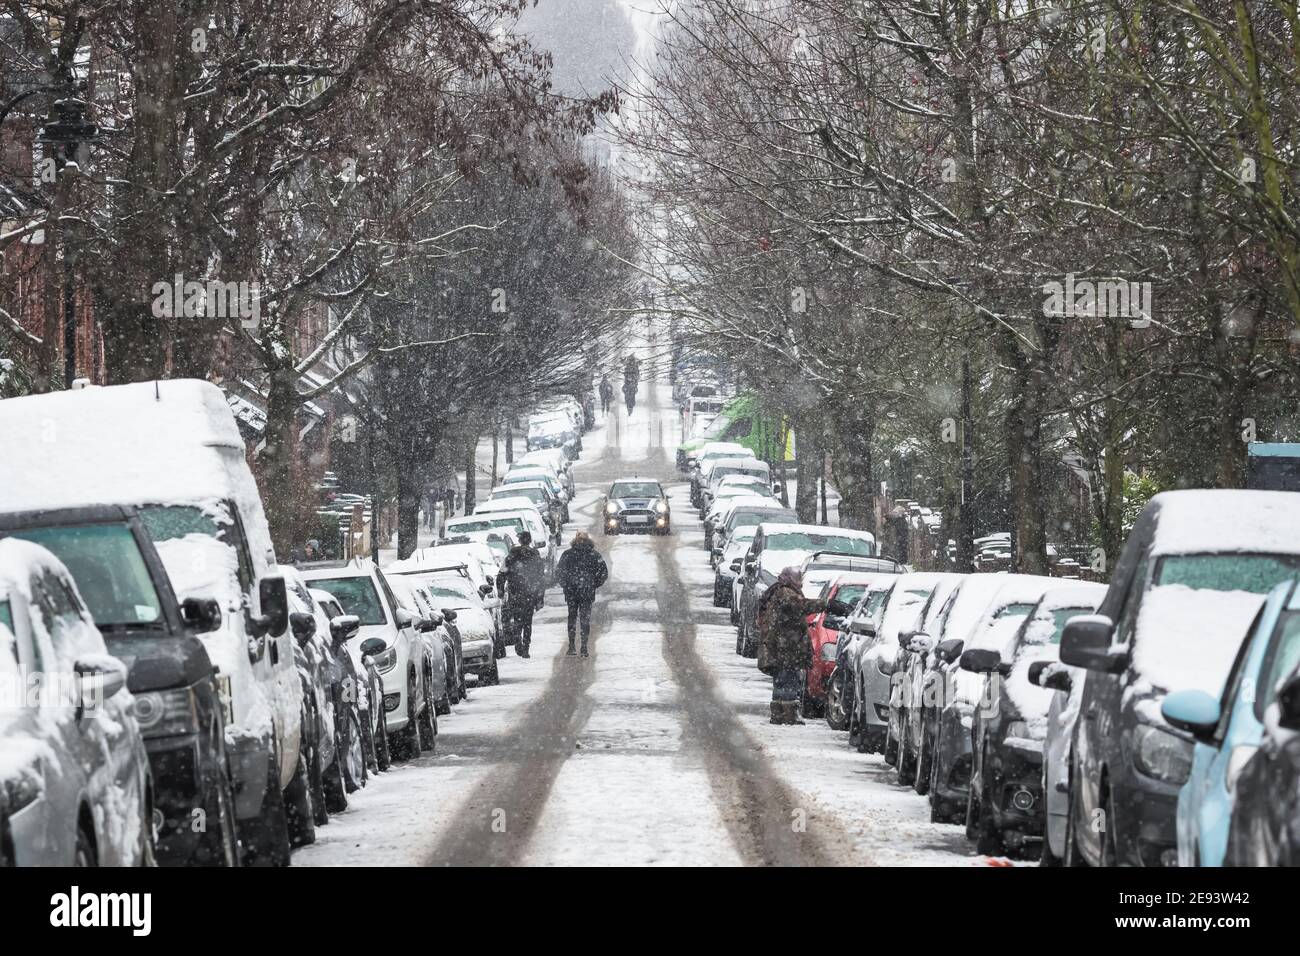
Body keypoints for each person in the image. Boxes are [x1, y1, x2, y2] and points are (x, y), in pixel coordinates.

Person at [757, 568, 830, 724]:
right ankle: (788, 715)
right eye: (798, 578)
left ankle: (778, 714)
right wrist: (826, 604)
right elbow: (802, 605)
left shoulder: (779, 591)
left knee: (782, 680)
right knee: (789, 680)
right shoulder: (785, 592)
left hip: (782, 647)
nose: (801, 581)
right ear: (791, 579)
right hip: (786, 648)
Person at [554, 531, 608, 657]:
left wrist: (566, 584)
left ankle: (572, 645)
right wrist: (594, 584)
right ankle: (584, 647)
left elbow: (559, 572)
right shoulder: (594, 555)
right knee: (585, 619)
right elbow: (603, 572)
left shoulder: (567, 554)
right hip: (587, 592)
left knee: (572, 617)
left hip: (571, 592)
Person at [498, 530, 546, 658]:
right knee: (527, 621)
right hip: (530, 593)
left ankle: (517, 638)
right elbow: (541, 577)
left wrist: (501, 590)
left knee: (517, 618)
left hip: (515, 592)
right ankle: (526, 646)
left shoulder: (511, 556)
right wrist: (540, 596)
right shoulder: (535, 556)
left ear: (519, 541)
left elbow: (501, 574)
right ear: (529, 541)